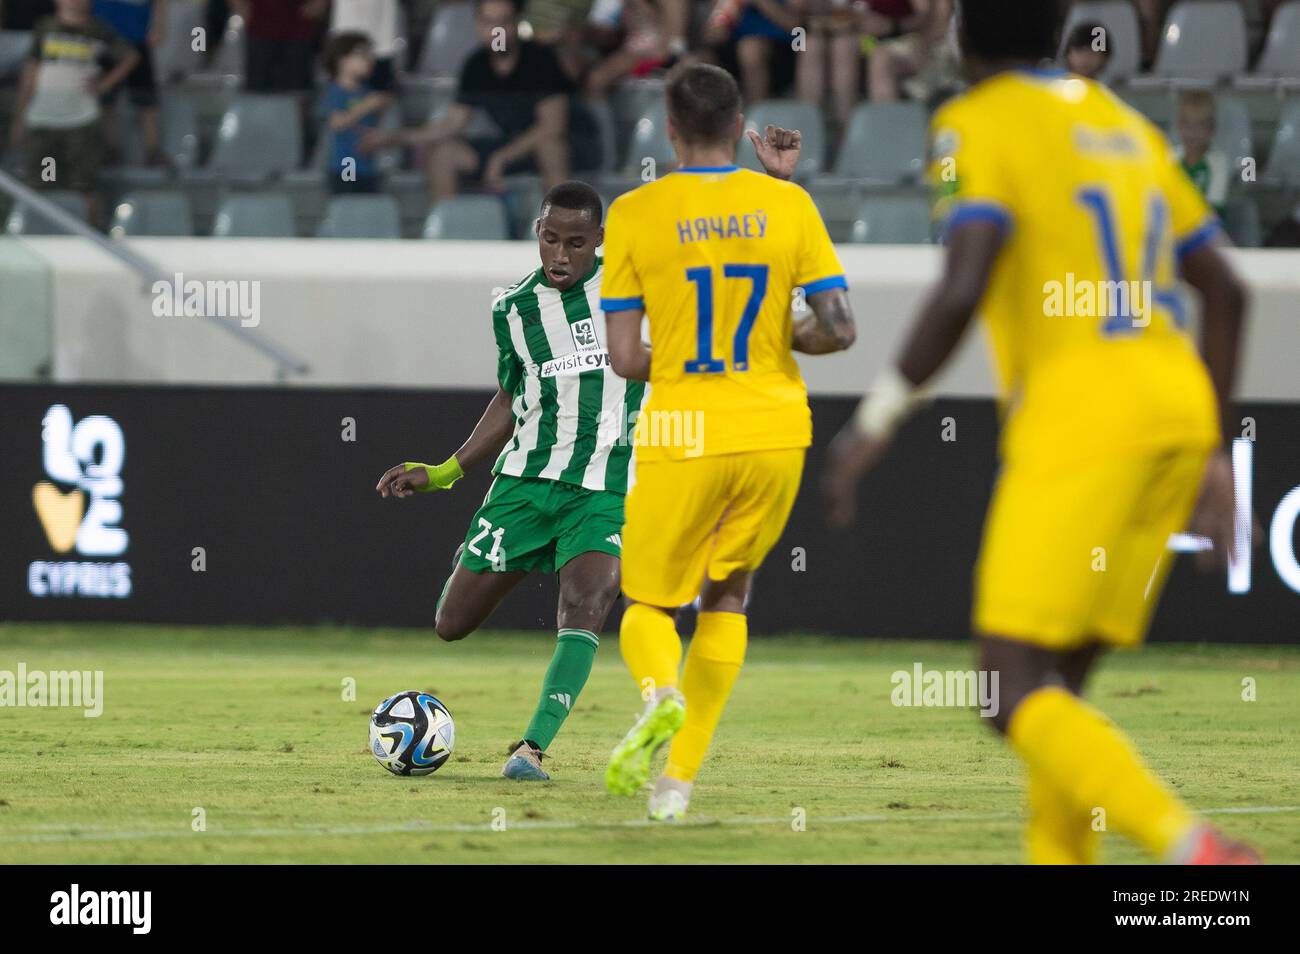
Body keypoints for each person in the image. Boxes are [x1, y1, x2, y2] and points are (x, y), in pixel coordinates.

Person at [822, 0, 1258, 864]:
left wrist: (873, 422)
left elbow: (964, 282)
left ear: (958, 36)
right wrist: (1212, 445)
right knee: (1059, 695)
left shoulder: (971, 123)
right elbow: (1229, 291)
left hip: (1080, 424)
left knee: (1005, 687)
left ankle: (1190, 848)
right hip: (1174, 414)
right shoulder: (1125, 125)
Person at [600, 63, 856, 821]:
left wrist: (682, 354)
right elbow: (839, 330)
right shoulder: (788, 204)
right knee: (729, 595)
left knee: (647, 600)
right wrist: (778, 190)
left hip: (684, 429)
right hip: (776, 432)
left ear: (670, 130)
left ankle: (661, 694)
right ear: (740, 122)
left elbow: (624, 359)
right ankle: (674, 787)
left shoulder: (636, 212)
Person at [376, 181, 645, 781]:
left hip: (606, 485)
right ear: (537, 233)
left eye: (576, 243)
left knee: (589, 600)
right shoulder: (513, 309)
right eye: (550, 238)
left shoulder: (635, 290)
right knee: (452, 624)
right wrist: (446, 471)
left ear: (599, 240)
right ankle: (529, 552)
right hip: (525, 484)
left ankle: (530, 751)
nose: (560, 255)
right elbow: (510, 394)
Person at [368, 0, 572, 199]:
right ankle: (449, 226)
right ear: (477, 24)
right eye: (488, 22)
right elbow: (451, 125)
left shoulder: (541, 59)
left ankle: (560, 226)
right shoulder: (476, 65)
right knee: (443, 153)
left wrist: (501, 158)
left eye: (504, 21)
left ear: (517, 21)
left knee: (551, 147)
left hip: (550, 148)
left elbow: (552, 127)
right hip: (505, 145)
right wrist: (393, 138)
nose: (496, 31)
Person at [8, 0, 138, 226]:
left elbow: (130, 57)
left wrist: (104, 85)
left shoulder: (99, 29)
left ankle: (91, 235)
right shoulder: (45, 27)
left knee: (83, 184)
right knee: (40, 183)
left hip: (81, 119)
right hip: (43, 118)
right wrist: (21, 113)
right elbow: (31, 68)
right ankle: (38, 232)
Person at [93, 0, 165, 164]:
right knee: (106, 99)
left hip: (137, 37)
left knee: (146, 100)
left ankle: (153, 151)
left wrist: (159, 25)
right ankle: (110, 151)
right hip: (102, 37)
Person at [322, 31, 387, 193]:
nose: (369, 60)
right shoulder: (336, 91)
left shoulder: (367, 92)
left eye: (370, 54)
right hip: (346, 163)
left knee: (367, 209)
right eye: (362, 55)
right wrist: (368, 105)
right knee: (348, 204)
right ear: (342, 60)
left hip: (368, 165)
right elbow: (337, 123)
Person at [1175, 89, 1230, 220]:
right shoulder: (1170, 156)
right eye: (1187, 124)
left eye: (1200, 126)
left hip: (1205, 231)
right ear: (1178, 126)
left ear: (1211, 129)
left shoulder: (1218, 162)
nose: (1192, 132)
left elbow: (1215, 211)